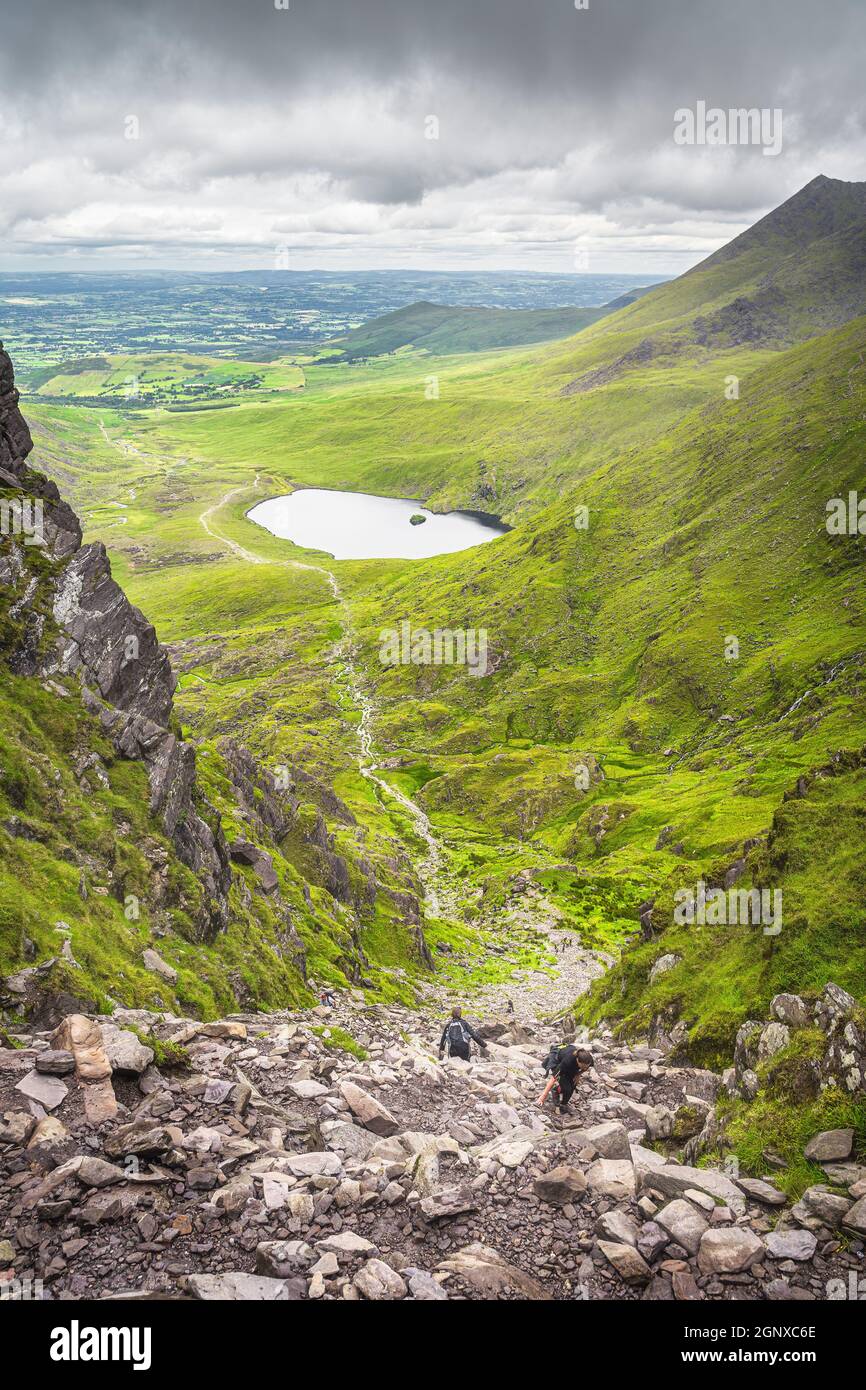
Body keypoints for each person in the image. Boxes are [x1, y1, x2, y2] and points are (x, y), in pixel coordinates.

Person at [536, 1042, 593, 1113]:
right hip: (558, 1062)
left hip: (572, 1066)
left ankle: (563, 1105)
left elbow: (586, 1067)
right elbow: (553, 1079)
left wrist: (578, 1074)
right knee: (567, 1088)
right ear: (578, 1061)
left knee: (573, 1085)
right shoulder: (567, 1061)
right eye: (583, 1066)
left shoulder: (588, 1059)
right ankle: (556, 1090)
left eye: (587, 1066)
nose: (585, 1068)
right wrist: (542, 1097)